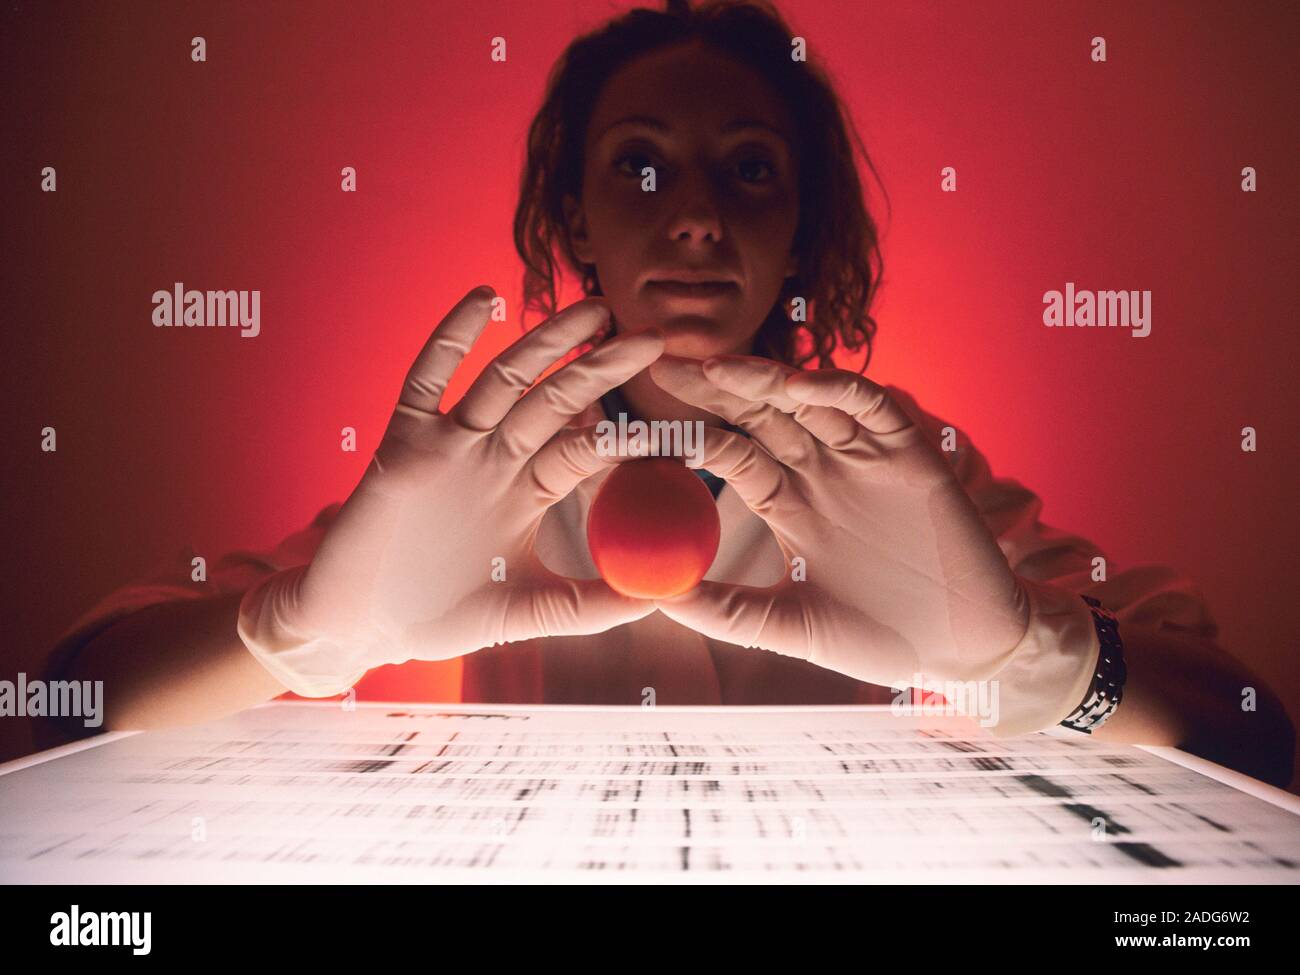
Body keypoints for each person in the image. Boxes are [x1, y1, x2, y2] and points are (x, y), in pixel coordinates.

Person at [38, 0, 1293, 785]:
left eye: (749, 170)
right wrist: (303, 632)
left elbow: (1253, 731)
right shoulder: (476, 490)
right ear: (573, 211)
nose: (694, 217)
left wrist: (1037, 655)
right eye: (639, 167)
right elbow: (62, 707)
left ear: (801, 225)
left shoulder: (906, 483)